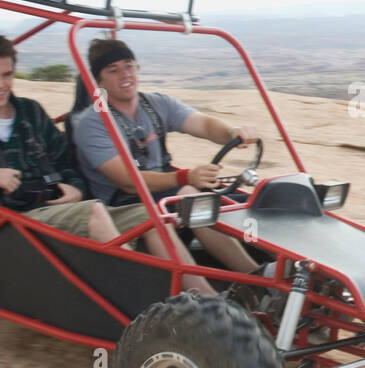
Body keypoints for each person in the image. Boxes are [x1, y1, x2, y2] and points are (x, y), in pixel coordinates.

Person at [0, 31, 216, 294]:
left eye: (7, 75)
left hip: (49, 209)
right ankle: (143, 300)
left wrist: (74, 188)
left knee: (150, 216)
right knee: (94, 211)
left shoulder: (29, 112)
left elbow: (66, 162)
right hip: (2, 224)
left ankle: (207, 301)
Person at [72, 37, 266, 276]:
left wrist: (231, 133)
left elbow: (203, 124)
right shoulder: (91, 123)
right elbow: (127, 181)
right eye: (113, 70)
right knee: (191, 197)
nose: (125, 75)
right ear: (99, 81)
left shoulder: (156, 104)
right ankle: (245, 281)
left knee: (257, 198)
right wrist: (184, 178)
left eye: (129, 66)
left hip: (166, 191)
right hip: (124, 202)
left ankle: (281, 268)